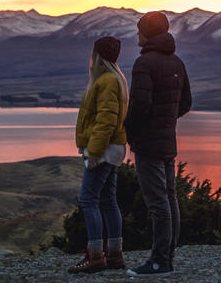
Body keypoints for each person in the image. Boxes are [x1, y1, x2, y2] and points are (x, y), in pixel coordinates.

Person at [124, 11, 192, 276]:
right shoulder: (177, 62)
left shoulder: (144, 64)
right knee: (170, 197)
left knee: (158, 202)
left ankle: (160, 261)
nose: (136, 34)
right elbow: (186, 103)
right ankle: (167, 255)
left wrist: (129, 128)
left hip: (149, 143)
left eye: (139, 30)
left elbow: (140, 104)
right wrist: (166, 120)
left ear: (148, 33)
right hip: (167, 140)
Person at [67, 36, 130, 274]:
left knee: (88, 200)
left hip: (103, 150)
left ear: (98, 56)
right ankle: (114, 254)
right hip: (112, 147)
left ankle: (95, 256)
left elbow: (106, 120)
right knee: (107, 200)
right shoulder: (117, 79)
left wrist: (93, 151)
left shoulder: (106, 81)